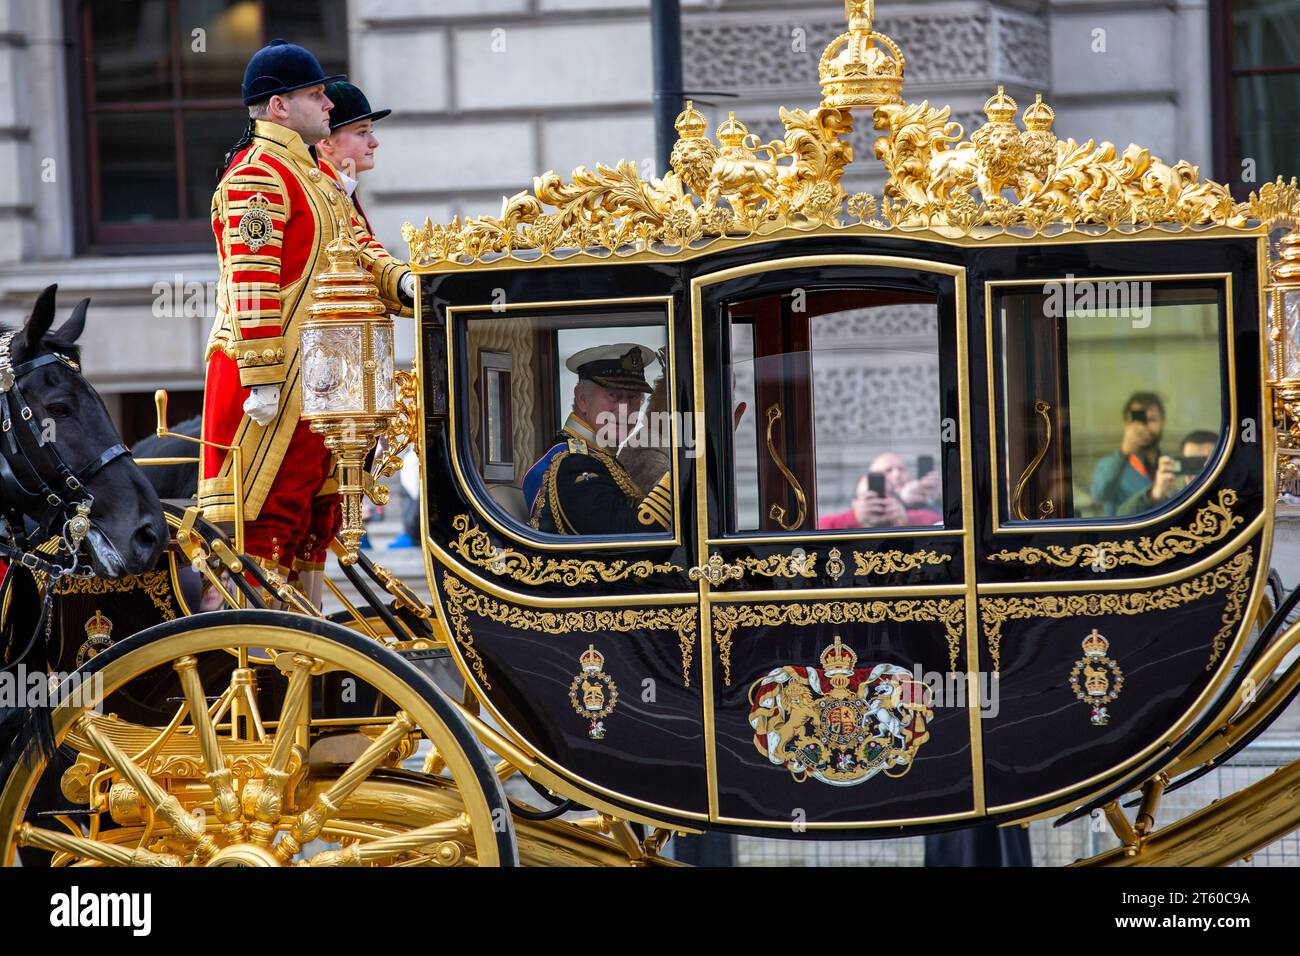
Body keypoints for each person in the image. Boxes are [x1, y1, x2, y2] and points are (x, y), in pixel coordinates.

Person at [198, 40, 416, 607]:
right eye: (315, 94)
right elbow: (252, 280)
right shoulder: (258, 174)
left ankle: (304, 637)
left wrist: (405, 284)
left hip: (320, 378)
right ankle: (265, 648)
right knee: (266, 516)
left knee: (311, 518)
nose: (327, 105)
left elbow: (361, 248)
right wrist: (263, 374)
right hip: (270, 383)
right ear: (277, 106)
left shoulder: (311, 174)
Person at [525, 344, 673, 535]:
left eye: (633, 397)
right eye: (614, 395)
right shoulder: (573, 464)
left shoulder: (597, 457)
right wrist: (683, 470)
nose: (625, 409)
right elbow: (632, 535)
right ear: (582, 399)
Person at [1090, 392, 1167, 517]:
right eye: (1139, 419)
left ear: (1163, 422)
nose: (1144, 426)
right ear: (1126, 424)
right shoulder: (1108, 466)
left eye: (1152, 420)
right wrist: (1124, 452)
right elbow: (1099, 494)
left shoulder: (1170, 464)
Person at [819, 452, 942, 529]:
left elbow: (940, 523)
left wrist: (905, 519)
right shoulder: (838, 521)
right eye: (887, 471)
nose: (897, 475)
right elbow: (820, 527)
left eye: (901, 469)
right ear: (855, 502)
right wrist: (855, 517)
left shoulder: (921, 512)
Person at [1117, 429, 1218, 514]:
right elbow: (1122, 515)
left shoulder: (1228, 487)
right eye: (1193, 461)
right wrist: (1155, 495)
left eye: (1207, 460)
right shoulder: (1171, 490)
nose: (1202, 467)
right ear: (1182, 462)